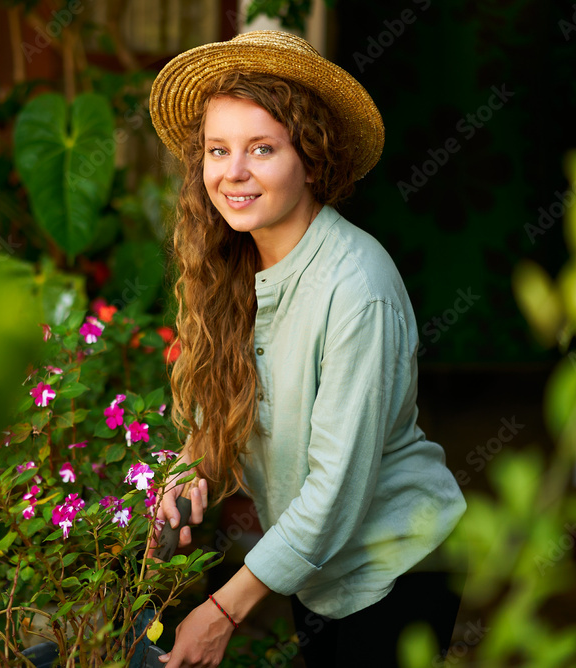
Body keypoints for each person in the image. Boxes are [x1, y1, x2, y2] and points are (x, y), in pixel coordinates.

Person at [145, 31, 468, 667]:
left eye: (261, 148)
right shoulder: (236, 265)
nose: (233, 172)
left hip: (397, 565)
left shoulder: (356, 287)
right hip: (314, 568)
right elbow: (221, 404)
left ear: (310, 159)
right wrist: (189, 467)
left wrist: (220, 612)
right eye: (218, 150)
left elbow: (334, 497)